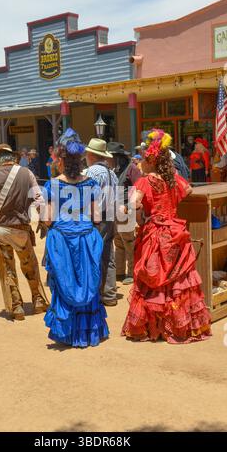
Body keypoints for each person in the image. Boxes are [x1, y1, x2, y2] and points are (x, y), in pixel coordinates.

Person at [121, 129, 212, 344]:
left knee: (154, 280)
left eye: (143, 158)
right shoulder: (174, 179)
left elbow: (133, 204)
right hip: (175, 230)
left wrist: (125, 208)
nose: (141, 162)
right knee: (178, 280)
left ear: (150, 160)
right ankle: (180, 325)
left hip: (154, 233)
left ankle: (156, 327)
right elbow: (188, 190)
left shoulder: (144, 182)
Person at [42, 128, 109, 347]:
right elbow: (97, 217)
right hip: (86, 239)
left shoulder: (52, 185)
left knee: (64, 283)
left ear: (60, 160)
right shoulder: (90, 184)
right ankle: (88, 333)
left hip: (62, 240)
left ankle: (69, 333)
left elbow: (48, 220)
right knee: (87, 282)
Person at [0, 143, 49, 321]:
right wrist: (43, 221)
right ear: (13, 157)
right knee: (30, 265)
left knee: (7, 268)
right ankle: (38, 300)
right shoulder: (26, 173)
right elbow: (40, 200)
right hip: (21, 229)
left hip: (0, 230)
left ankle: (17, 307)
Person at [84, 138, 118, 306]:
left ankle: (94, 295)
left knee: (92, 255)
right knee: (108, 255)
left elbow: (86, 197)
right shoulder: (111, 172)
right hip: (110, 216)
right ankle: (109, 294)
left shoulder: (91, 172)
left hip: (96, 218)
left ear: (91, 154)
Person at [115, 149, 142, 285]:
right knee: (118, 242)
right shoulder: (115, 170)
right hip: (115, 209)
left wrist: (129, 206)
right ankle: (119, 272)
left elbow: (137, 188)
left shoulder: (132, 169)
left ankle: (131, 272)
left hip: (126, 209)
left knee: (129, 243)